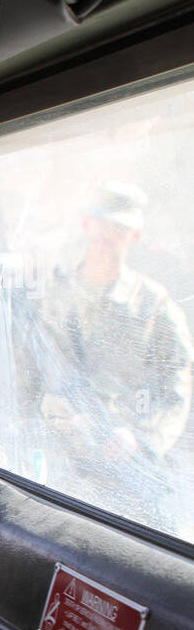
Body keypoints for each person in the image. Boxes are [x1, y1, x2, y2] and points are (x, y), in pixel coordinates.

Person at [20, 182, 194, 528]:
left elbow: (178, 382)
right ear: (87, 224)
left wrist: (143, 439)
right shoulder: (52, 299)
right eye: (103, 223)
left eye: (121, 228)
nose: (109, 235)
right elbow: (26, 380)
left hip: (121, 462)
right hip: (59, 462)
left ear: (136, 235)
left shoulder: (153, 305)